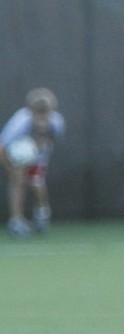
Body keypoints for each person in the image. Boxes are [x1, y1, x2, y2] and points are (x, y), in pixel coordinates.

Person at [3, 88, 65, 238]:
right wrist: (10, 168)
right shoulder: (19, 122)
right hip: (16, 153)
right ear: (30, 112)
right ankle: (16, 221)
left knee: (36, 181)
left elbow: (52, 142)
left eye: (46, 115)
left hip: (39, 153)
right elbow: (2, 147)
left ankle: (42, 213)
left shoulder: (57, 122)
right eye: (38, 115)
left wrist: (37, 149)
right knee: (17, 181)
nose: (42, 119)